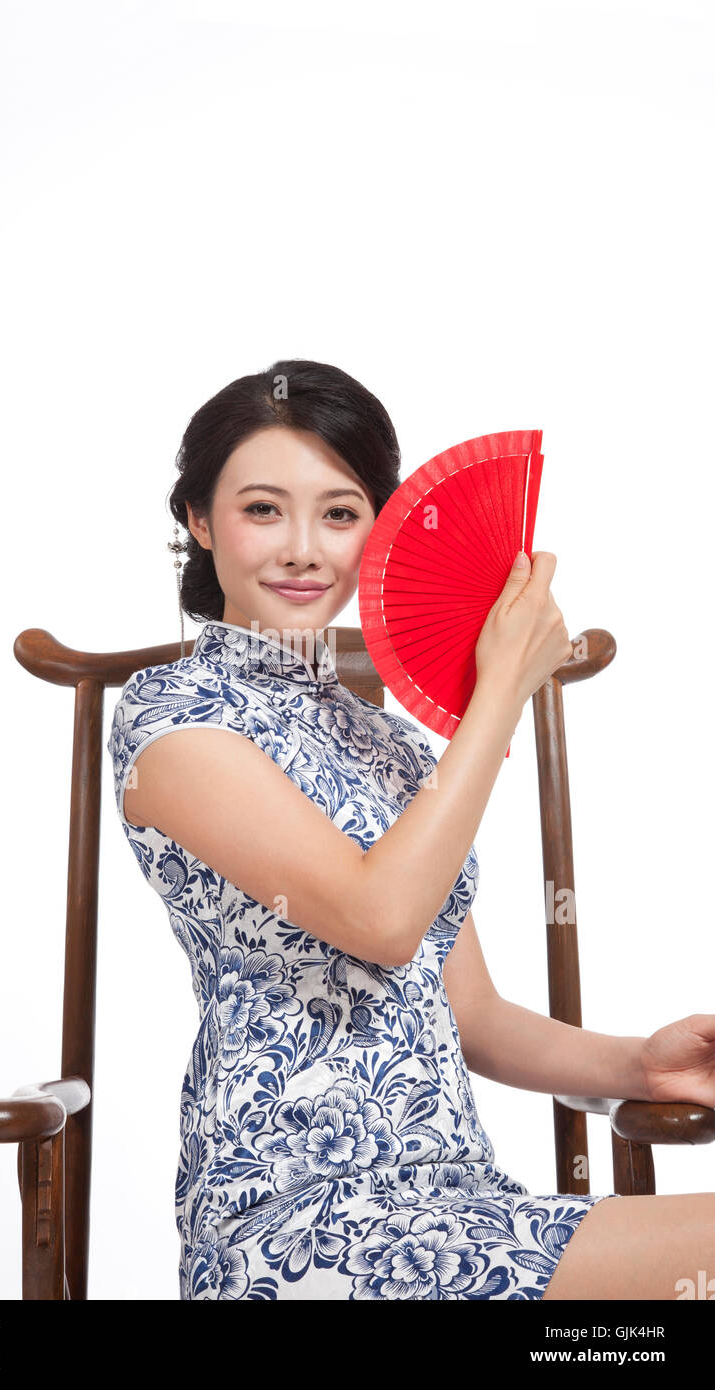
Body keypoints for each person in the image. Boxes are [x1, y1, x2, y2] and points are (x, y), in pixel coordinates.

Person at [107, 358, 715, 1300]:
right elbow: (381, 918)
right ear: (198, 520)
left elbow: (471, 1014)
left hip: (459, 1208)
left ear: (376, 534)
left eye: (341, 513)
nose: (304, 549)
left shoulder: (388, 745)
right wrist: (500, 694)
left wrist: (639, 1061)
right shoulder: (174, 721)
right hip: (294, 1221)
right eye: (263, 508)